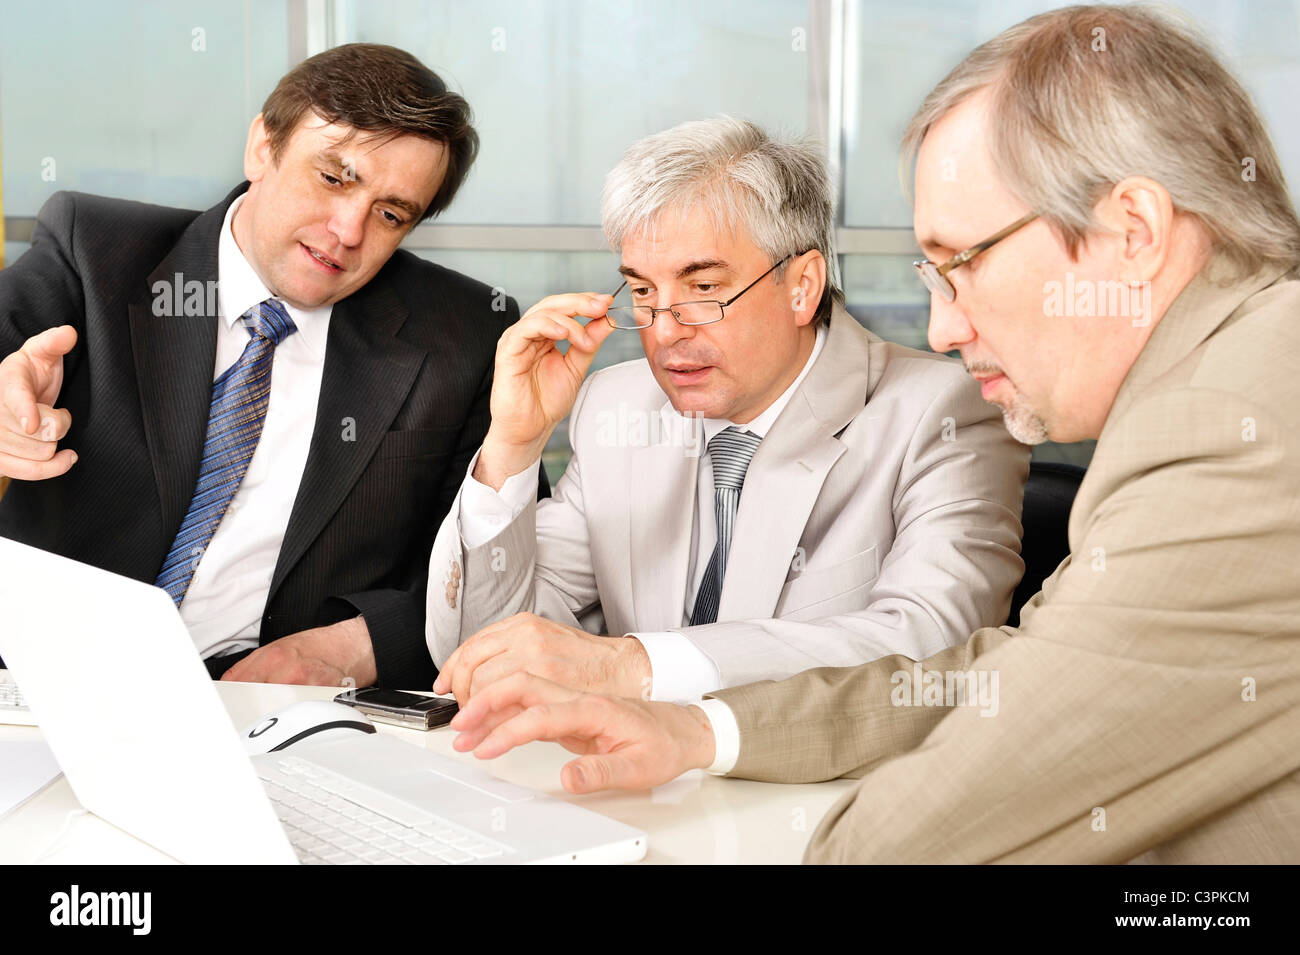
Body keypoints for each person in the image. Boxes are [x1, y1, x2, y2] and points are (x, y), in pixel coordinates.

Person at [442, 4, 1300, 863]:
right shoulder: (1225, 379)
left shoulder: (1232, 421)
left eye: (962, 262)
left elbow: (942, 808)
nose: (941, 329)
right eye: (642, 289)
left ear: (1132, 233)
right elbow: (1005, 673)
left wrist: (634, 673)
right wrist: (702, 732)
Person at [427, 117, 1029, 705]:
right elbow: (479, 652)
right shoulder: (616, 407)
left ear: (802, 285)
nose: (664, 331)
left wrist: (635, 666)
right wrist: (513, 446)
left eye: (704, 288)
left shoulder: (941, 413)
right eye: (642, 291)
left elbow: (934, 648)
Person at [0, 44, 543, 689]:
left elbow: (486, 569)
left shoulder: (466, 330)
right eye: (334, 178)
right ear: (264, 146)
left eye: (391, 214)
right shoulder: (93, 251)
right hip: (34, 686)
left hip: (266, 709)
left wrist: (352, 648)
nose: (347, 230)